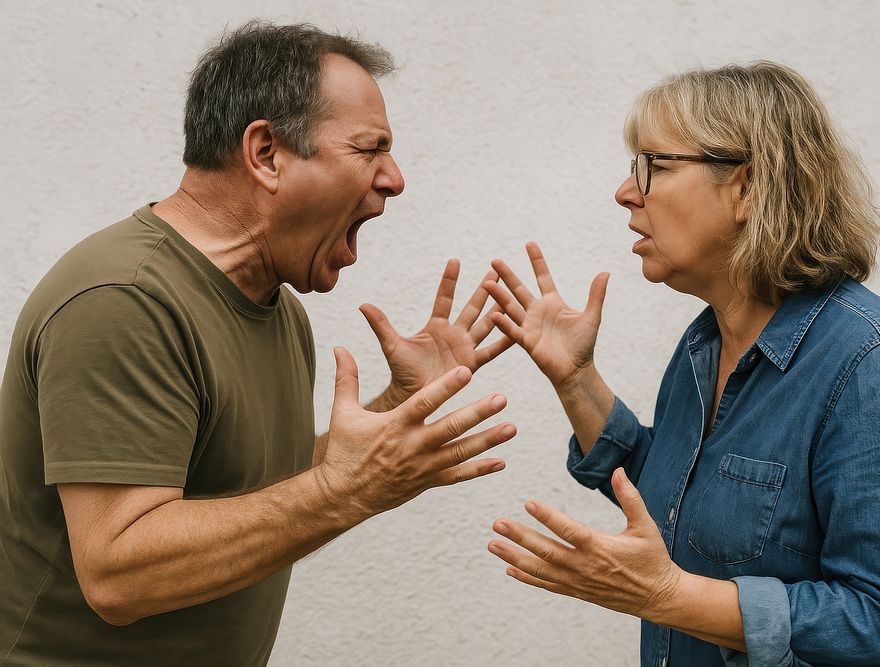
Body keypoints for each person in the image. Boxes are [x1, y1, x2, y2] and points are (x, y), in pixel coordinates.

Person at [0, 21, 516, 665]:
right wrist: (350, 490)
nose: (395, 179)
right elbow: (118, 572)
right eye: (369, 149)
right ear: (266, 152)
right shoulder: (123, 301)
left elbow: (252, 493)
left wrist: (393, 411)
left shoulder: (277, 308)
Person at [484, 61, 880, 666]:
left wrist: (668, 596)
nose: (625, 191)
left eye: (653, 166)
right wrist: (576, 379)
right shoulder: (704, 346)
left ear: (746, 187)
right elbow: (685, 505)